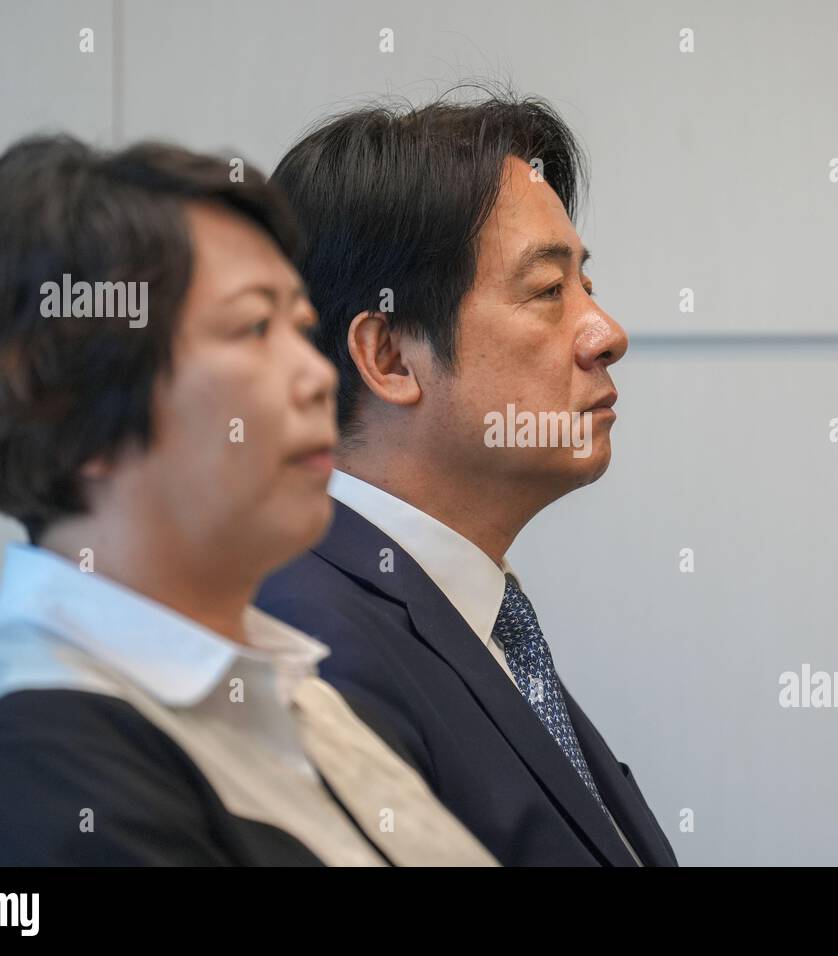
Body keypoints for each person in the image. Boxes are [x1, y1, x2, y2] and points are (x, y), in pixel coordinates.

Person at [0, 135, 495, 866]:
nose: (317, 377)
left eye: (301, 330)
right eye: (252, 329)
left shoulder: (298, 691)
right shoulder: (11, 767)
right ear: (74, 405)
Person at [257, 91, 678, 866]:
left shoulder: (478, 620)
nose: (606, 333)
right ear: (388, 358)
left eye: (588, 284)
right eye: (550, 291)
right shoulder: (311, 649)